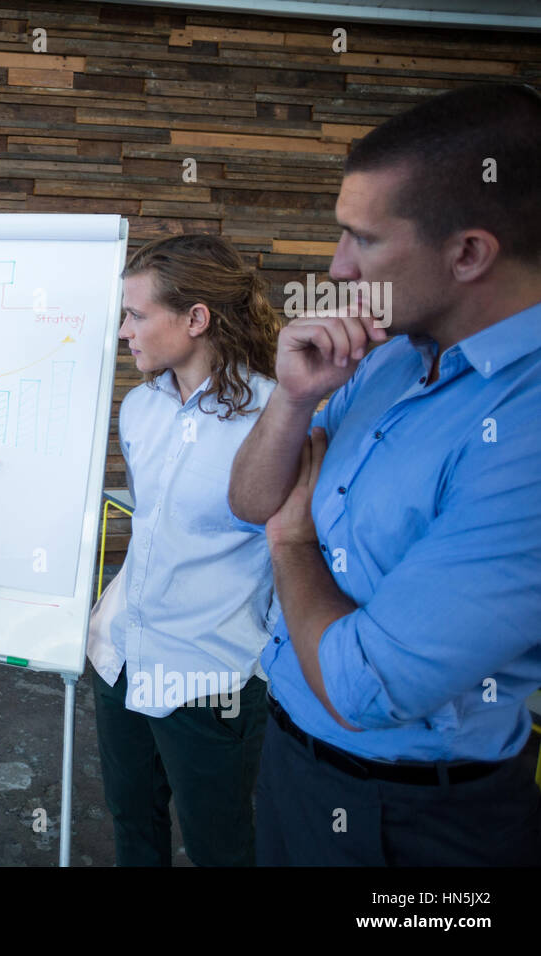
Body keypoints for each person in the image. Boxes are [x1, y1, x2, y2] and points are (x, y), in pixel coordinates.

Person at [228, 82, 541, 866]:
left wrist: (292, 547)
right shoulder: (390, 357)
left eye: (361, 239)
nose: (336, 267)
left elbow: (364, 685)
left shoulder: (527, 432)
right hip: (296, 761)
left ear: (469, 253)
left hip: (419, 822)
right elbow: (249, 501)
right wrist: (293, 400)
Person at [87, 233, 280, 866]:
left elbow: (293, 551)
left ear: (196, 318)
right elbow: (153, 526)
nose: (124, 331)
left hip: (209, 677)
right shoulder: (138, 408)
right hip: (119, 657)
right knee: (133, 828)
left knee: (220, 848)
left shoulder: (277, 416)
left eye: (137, 315)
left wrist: (268, 664)